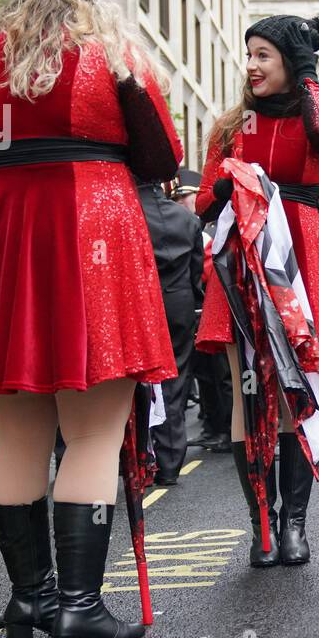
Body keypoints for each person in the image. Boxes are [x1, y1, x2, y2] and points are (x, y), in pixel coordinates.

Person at [0, 0, 182, 638]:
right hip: (89, 227)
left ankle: (30, 601)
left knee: (18, 429)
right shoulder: (112, 55)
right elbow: (164, 157)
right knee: (95, 432)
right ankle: (79, 607)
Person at [195, 13, 319, 567]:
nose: (252, 65)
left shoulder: (316, 123)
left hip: (300, 258)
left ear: (291, 61)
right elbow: (200, 205)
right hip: (243, 260)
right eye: (249, 54)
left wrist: (310, 74)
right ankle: (261, 524)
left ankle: (294, 526)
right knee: (248, 394)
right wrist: (224, 184)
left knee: (292, 393)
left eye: (264, 54)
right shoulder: (231, 127)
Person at [137, 168, 205, 485]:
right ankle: (170, 462)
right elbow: (195, 272)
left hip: (142, 301)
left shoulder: (131, 213)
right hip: (179, 302)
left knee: (138, 383)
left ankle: (141, 459)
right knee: (175, 382)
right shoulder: (187, 219)